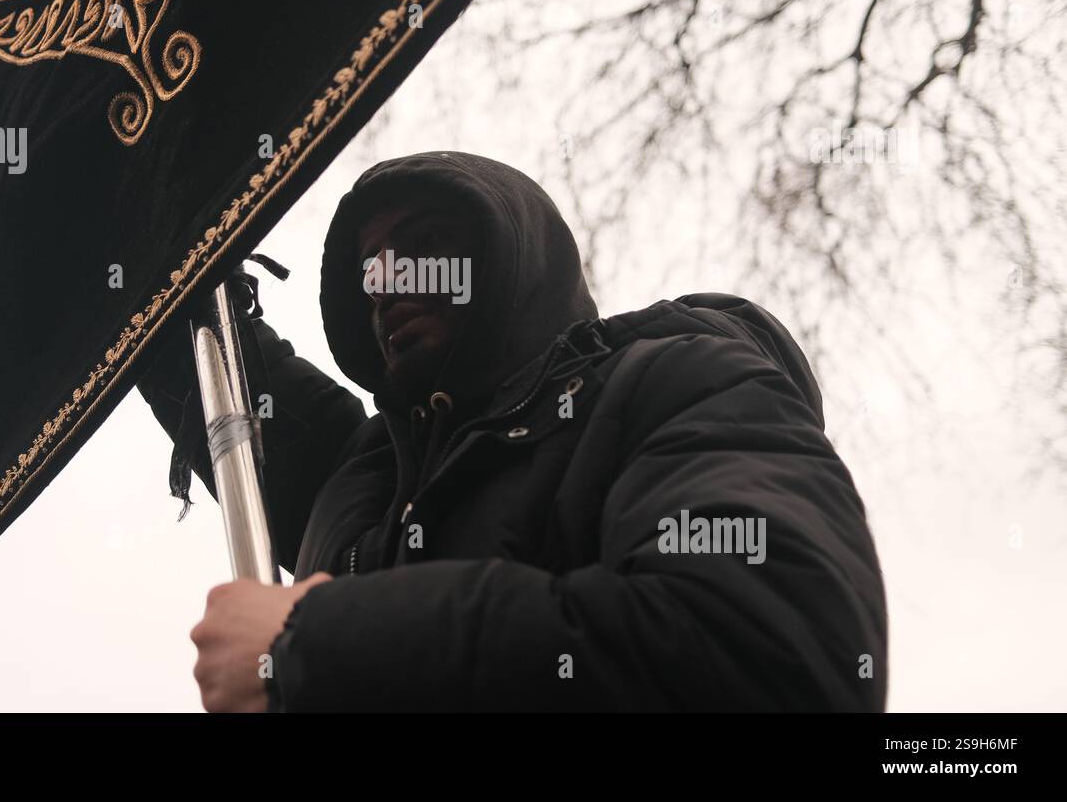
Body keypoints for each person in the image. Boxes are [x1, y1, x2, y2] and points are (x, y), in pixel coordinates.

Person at [137, 151, 888, 712]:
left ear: (510, 255)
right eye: (370, 272)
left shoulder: (670, 389)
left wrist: (313, 646)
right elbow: (201, 359)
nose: (391, 283)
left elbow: (771, 657)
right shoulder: (361, 483)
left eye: (426, 243)